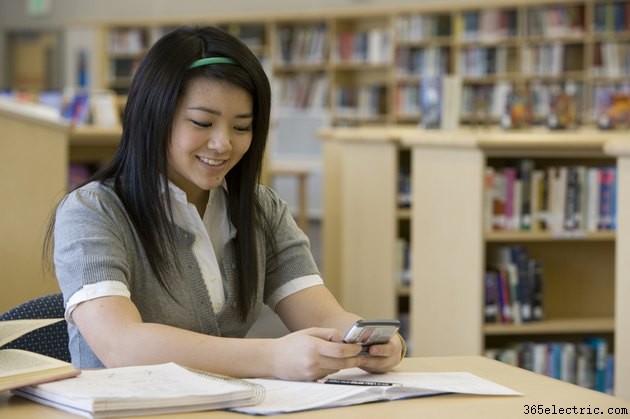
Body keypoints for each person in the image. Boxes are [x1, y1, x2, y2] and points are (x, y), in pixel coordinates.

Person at [45, 25, 404, 381]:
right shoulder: (92, 211)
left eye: (242, 127)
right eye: (203, 122)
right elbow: (121, 346)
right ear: (154, 117)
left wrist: (371, 341)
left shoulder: (260, 209)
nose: (223, 144)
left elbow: (322, 315)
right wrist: (272, 357)